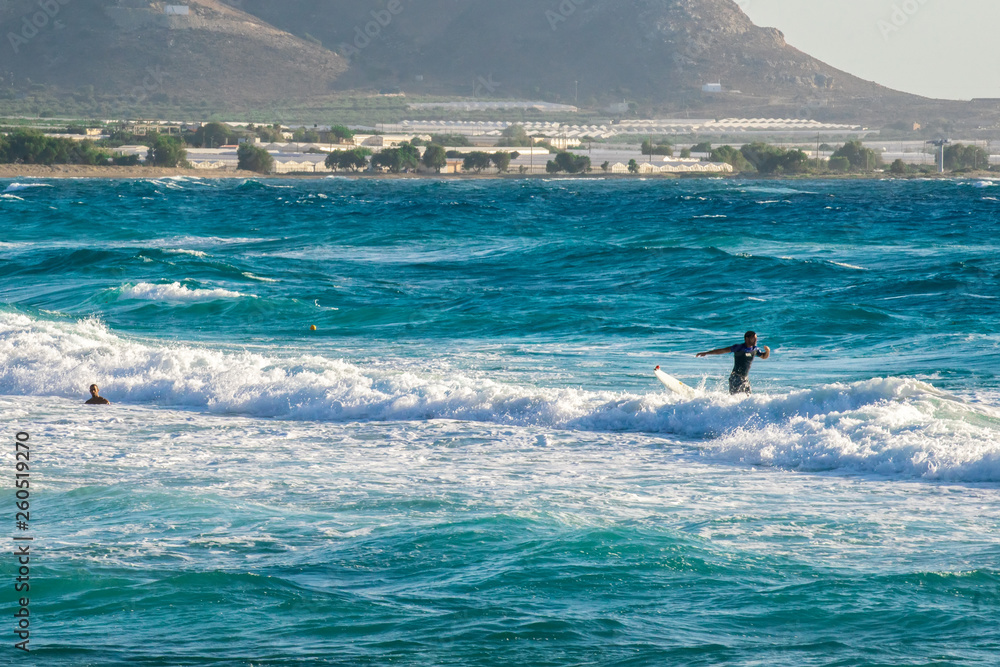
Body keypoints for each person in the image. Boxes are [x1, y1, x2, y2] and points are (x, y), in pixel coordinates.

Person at [696, 331, 771, 395]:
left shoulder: (755, 349)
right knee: (735, 398)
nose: (755, 340)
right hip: (736, 378)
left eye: (756, 338)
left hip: (745, 379)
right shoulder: (739, 347)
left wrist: (767, 351)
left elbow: (764, 356)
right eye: (753, 338)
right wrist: (706, 353)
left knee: (749, 398)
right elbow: (722, 350)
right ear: (747, 339)